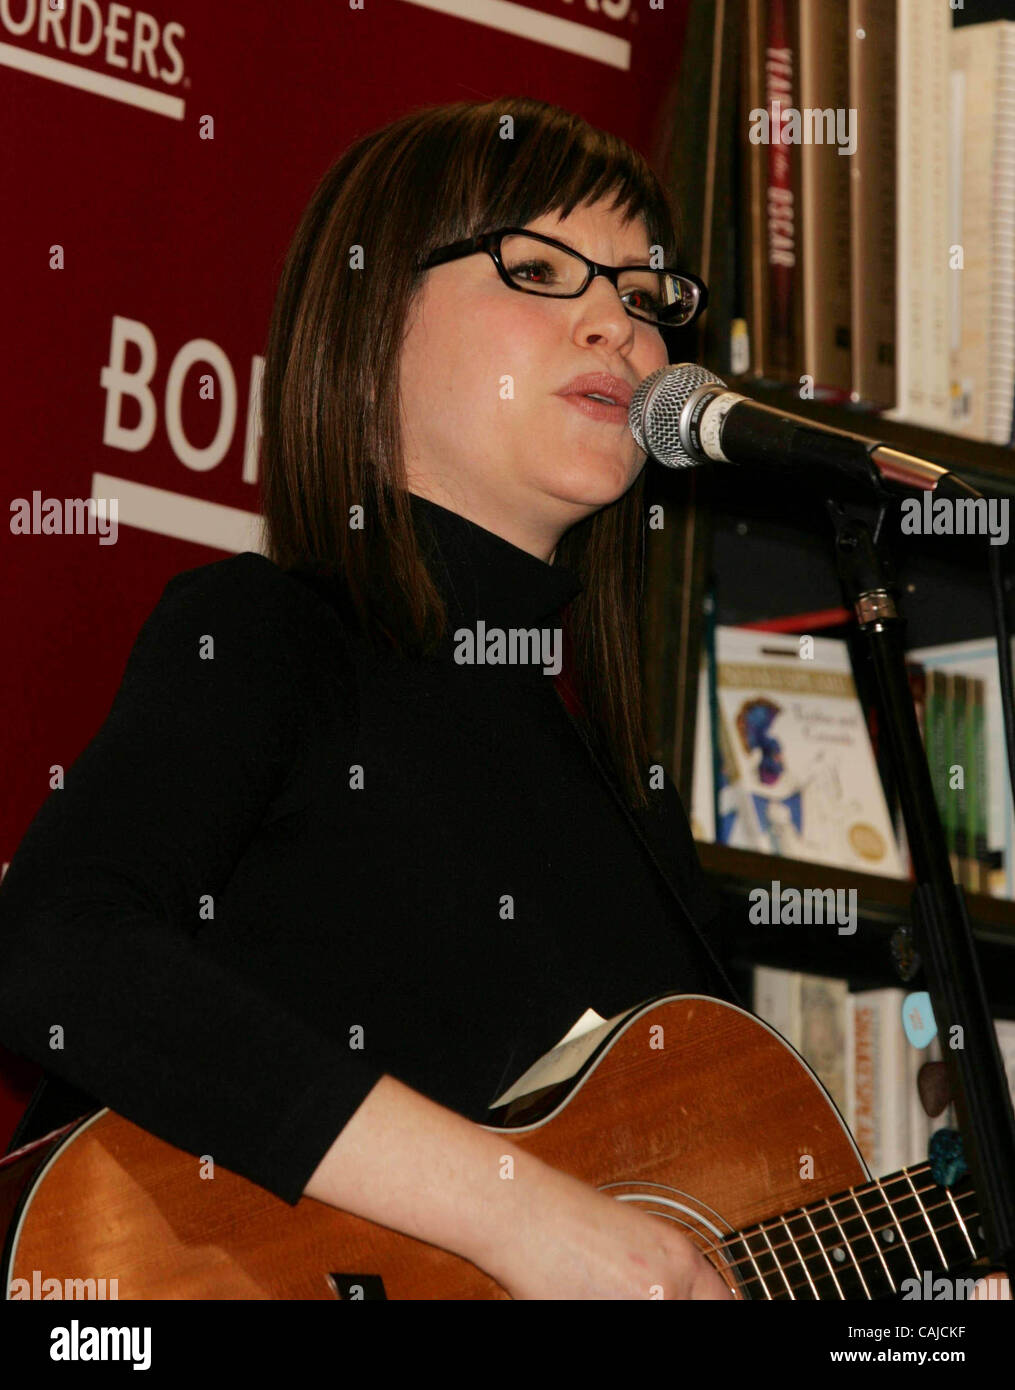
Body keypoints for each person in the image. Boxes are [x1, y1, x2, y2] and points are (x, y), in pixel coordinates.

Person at [0, 97, 736, 1300]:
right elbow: (51, 946)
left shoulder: (629, 804)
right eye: (542, 269)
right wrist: (516, 1212)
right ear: (372, 316)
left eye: (650, 299)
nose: (622, 327)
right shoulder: (268, 636)